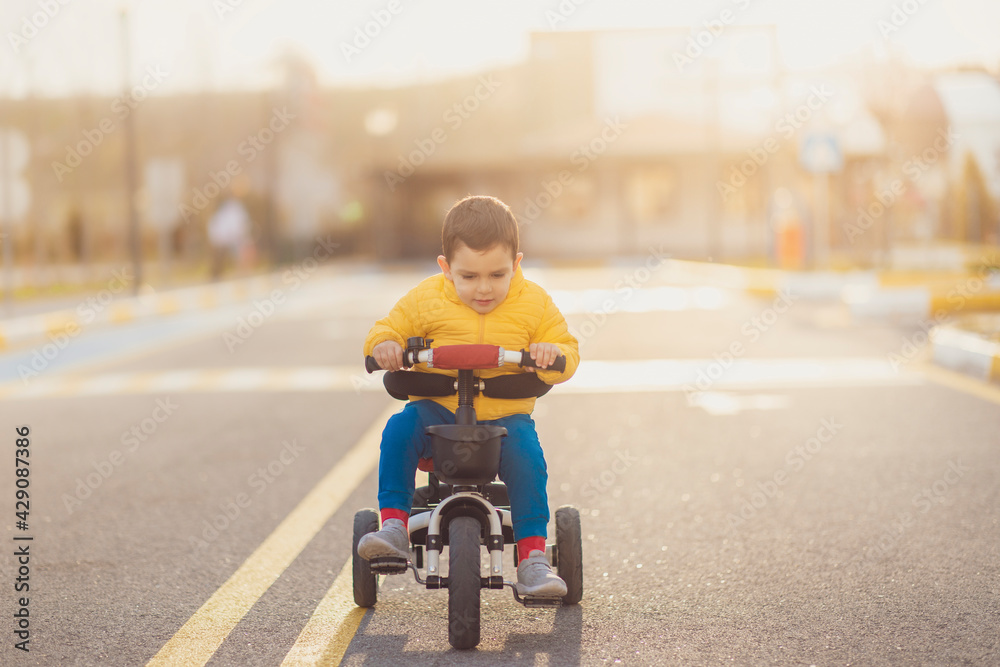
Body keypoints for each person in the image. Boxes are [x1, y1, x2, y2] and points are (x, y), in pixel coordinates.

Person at [360, 195, 580, 597]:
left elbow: (566, 349)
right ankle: (393, 524)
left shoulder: (534, 303)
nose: (484, 288)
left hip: (503, 420)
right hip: (437, 416)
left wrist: (552, 355)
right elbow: (385, 328)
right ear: (446, 268)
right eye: (469, 276)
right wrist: (385, 345)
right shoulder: (426, 298)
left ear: (516, 264)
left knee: (529, 456)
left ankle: (532, 557)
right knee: (398, 429)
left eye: (497, 275)